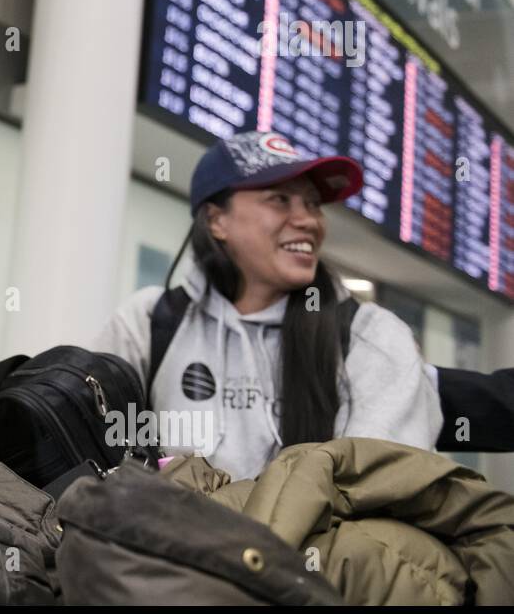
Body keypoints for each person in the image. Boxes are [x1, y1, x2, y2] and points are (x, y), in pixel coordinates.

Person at [93, 130, 441, 480]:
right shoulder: (149, 321)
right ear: (217, 221)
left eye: (313, 204)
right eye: (279, 199)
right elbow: (94, 452)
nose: (308, 220)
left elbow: (377, 487)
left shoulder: (371, 336)